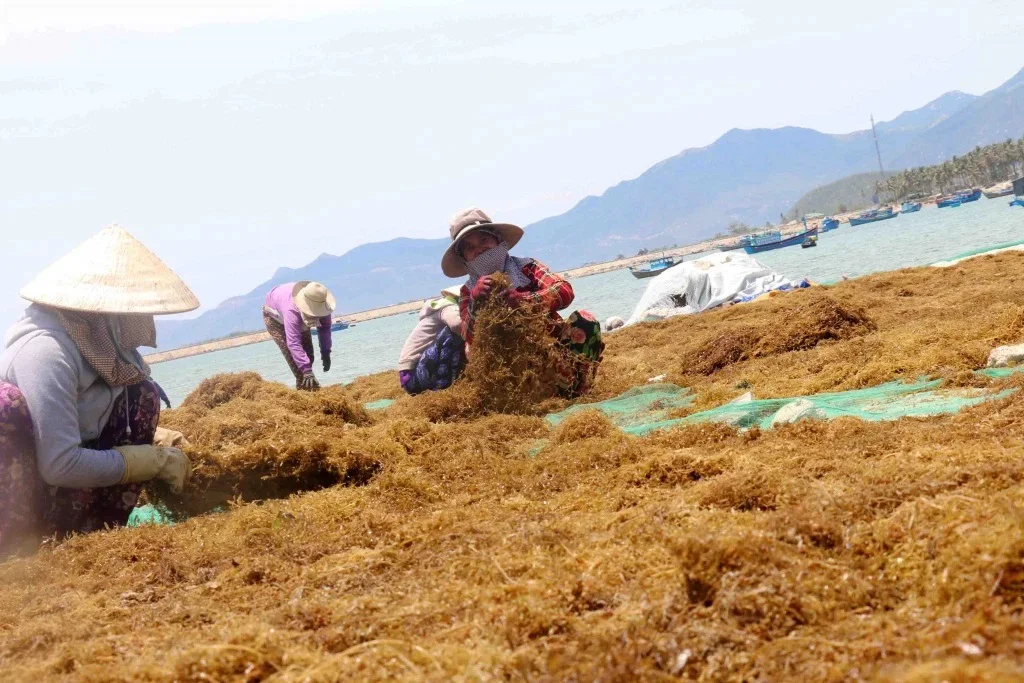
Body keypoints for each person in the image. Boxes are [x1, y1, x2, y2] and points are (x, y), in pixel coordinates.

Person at [0, 225, 196, 556]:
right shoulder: (47, 352)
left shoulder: (98, 346)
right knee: (8, 406)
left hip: (62, 471)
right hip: (25, 490)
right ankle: (23, 548)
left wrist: (158, 437)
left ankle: (94, 533)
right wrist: (150, 462)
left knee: (143, 393)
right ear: (100, 312)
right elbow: (59, 463)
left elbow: (88, 409)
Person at [441, 207, 604, 397]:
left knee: (585, 321)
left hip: (554, 351)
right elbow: (469, 335)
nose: (479, 249)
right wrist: (477, 303)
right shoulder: (469, 292)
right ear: (464, 258)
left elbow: (564, 291)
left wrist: (524, 302)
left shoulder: (526, 267)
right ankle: (535, 396)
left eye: (484, 240)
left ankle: (577, 389)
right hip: (515, 370)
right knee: (472, 352)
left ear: (498, 240)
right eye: (470, 247)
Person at [263, 281, 335, 391]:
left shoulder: (322, 304)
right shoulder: (292, 311)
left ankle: (307, 390)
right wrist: (306, 371)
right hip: (275, 318)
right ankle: (305, 396)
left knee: (309, 356)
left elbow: (325, 329)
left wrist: (326, 352)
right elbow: (293, 343)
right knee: (299, 367)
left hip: (292, 309)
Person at [397, 286, 465, 394]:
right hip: (413, 376)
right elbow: (457, 325)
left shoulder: (439, 309)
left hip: (410, 377)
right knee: (455, 333)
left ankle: (449, 382)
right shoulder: (448, 306)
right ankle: (442, 386)